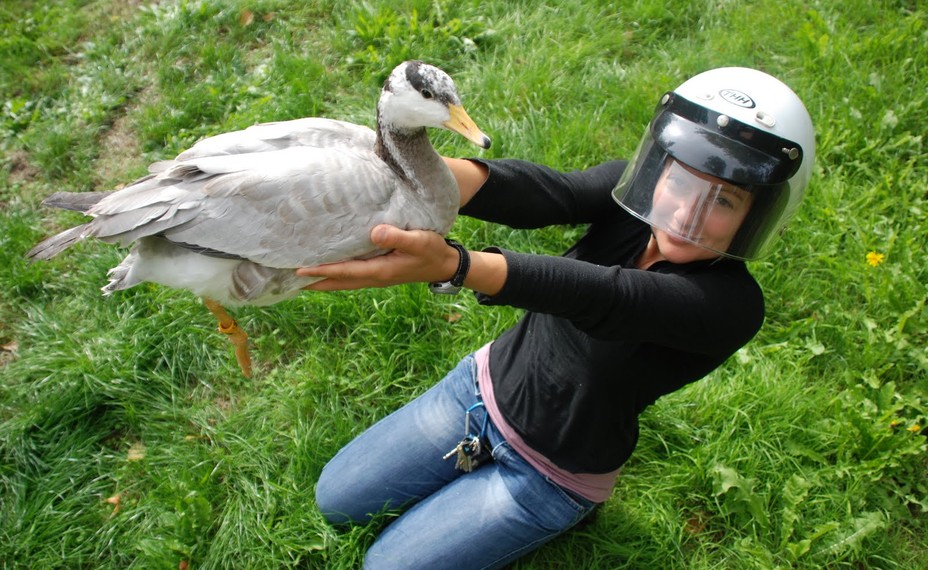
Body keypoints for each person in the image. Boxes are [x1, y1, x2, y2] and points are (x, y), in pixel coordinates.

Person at [296, 66, 815, 569]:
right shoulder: (629, 201)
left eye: (723, 200)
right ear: (659, 167)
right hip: (478, 392)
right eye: (680, 182)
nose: (686, 213)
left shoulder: (731, 305)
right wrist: (410, 169)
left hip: (549, 475)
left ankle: (563, 514)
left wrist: (458, 266)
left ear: (760, 211)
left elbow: (607, 297)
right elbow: (550, 194)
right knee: (335, 500)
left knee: (387, 566)